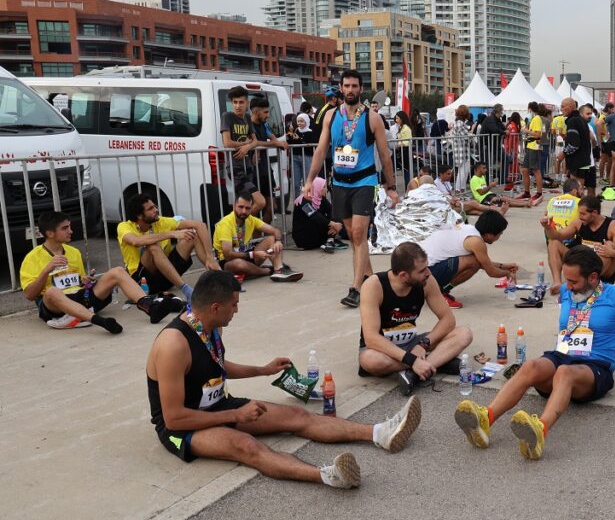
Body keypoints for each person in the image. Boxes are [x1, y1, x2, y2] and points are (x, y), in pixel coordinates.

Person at [146, 270, 422, 488]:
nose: (237, 310)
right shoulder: (173, 345)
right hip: (182, 428)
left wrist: (262, 370)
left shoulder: (209, 326)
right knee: (246, 446)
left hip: (218, 407)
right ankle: (330, 476)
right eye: (234, 305)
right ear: (216, 307)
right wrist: (236, 415)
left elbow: (213, 365)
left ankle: (380, 433)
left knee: (297, 416)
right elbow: (174, 419)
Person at [454, 246, 615, 460]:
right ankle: (486, 418)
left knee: (564, 372)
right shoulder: (566, 291)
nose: (568, 287)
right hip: (562, 355)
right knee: (531, 366)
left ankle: (540, 431)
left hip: (595, 368)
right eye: (566, 280)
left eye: (573, 281)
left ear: (593, 277)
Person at [301, 69, 401, 309]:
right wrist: (309, 180)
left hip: (364, 182)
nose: (350, 90)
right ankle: (372, 280)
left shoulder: (372, 118)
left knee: (358, 234)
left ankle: (356, 289)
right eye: (346, 86)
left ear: (361, 88)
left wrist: (391, 186)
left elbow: (385, 155)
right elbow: (320, 151)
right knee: (354, 236)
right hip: (340, 183)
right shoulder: (331, 116)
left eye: (354, 86)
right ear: (341, 88)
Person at [21, 211, 183, 332]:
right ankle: (99, 321)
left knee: (117, 271)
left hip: (80, 298)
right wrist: (46, 270)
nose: (70, 231)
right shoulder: (33, 257)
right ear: (50, 233)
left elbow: (77, 283)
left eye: (69, 226)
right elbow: (30, 295)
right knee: (52, 291)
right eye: (65, 228)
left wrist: (85, 280)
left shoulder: (73, 252)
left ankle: (150, 307)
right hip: (55, 307)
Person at [357, 242, 473, 394]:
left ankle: (413, 373)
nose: (428, 273)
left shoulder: (427, 282)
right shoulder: (374, 285)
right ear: (403, 275)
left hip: (414, 344)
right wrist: (412, 360)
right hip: (383, 350)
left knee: (464, 334)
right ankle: (434, 362)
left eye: (427, 267)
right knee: (370, 360)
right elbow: (371, 338)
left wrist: (423, 345)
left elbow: (448, 320)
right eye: (422, 270)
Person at [117, 193, 220, 303]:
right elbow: (136, 241)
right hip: (143, 283)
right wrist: (172, 234)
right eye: (150, 209)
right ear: (139, 215)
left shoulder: (160, 221)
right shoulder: (124, 226)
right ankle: (187, 290)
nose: (156, 210)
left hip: (166, 277)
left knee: (191, 235)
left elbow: (200, 225)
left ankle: (219, 277)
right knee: (153, 246)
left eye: (155, 206)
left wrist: (210, 257)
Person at [422, 211, 519, 308]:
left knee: (474, 260)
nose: (499, 237)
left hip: (423, 269)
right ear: (490, 235)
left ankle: (440, 291)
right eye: (500, 234)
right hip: (426, 274)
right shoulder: (476, 242)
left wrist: (503, 266)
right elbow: (491, 272)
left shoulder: (469, 229)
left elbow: (484, 262)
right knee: (474, 263)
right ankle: (440, 294)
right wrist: (507, 274)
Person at [542, 195, 615, 294]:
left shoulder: (612, 225)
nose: (580, 216)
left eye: (583, 214)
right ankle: (557, 283)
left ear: (594, 213)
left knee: (610, 245)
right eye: (579, 213)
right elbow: (558, 236)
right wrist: (548, 227)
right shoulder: (579, 222)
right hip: (581, 264)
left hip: (602, 270)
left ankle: (589, 285)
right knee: (553, 243)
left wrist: (612, 252)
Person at [213, 192, 302, 282]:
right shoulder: (225, 224)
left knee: (272, 239)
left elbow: (275, 231)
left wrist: (278, 241)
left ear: (251, 208)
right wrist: (254, 254)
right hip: (227, 263)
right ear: (234, 206)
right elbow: (228, 255)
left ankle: (279, 270)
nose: (244, 211)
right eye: (241, 207)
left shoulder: (251, 219)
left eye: (247, 208)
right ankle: (266, 271)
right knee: (239, 264)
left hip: (247, 256)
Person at [220, 86, 266, 216]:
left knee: (243, 205)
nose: (237, 106)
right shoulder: (227, 116)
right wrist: (245, 143)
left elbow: (255, 141)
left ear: (247, 103)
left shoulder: (247, 117)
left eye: (241, 102)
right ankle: (238, 224)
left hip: (248, 166)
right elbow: (227, 143)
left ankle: (239, 226)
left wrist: (247, 147)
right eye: (235, 102)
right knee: (260, 202)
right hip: (236, 168)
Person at [249, 97, 286, 223]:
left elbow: (274, 139)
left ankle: (264, 231)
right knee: (256, 206)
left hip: (266, 171)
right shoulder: (248, 125)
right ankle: (244, 228)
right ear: (256, 112)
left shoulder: (264, 124)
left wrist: (262, 144)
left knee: (272, 207)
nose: (268, 115)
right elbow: (253, 142)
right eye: (265, 112)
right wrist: (271, 144)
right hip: (253, 172)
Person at [292, 176, 347, 252]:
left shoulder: (321, 198)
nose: (325, 189)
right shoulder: (303, 201)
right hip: (304, 238)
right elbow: (314, 215)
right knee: (323, 219)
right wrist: (332, 224)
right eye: (323, 187)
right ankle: (329, 241)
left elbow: (332, 210)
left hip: (316, 232)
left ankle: (330, 241)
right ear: (316, 187)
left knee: (334, 216)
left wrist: (336, 224)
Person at [561, 98, 596, 195]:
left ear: (570, 107)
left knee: (576, 191)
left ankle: (581, 205)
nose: (561, 109)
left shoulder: (573, 121)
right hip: (585, 161)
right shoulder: (581, 120)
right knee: (583, 191)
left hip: (578, 162)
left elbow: (574, 144)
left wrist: (563, 153)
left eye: (563, 106)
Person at [520, 102, 546, 202]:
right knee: (525, 170)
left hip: (534, 146)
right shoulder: (534, 118)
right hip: (530, 146)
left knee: (536, 170)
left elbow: (538, 134)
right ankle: (527, 192)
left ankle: (539, 193)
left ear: (530, 109)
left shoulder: (537, 119)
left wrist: (527, 131)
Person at [447, 105, 474, 192]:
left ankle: (461, 190)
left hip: (461, 150)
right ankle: (459, 190)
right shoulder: (460, 124)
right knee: (463, 172)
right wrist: (472, 135)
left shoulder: (458, 123)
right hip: (461, 151)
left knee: (463, 172)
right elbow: (466, 137)